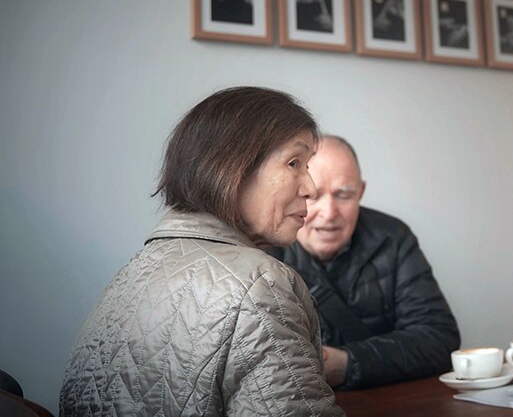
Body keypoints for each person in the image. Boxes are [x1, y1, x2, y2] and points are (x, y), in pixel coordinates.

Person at [60, 87, 344, 416]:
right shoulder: (260, 284)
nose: (309, 187)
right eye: (294, 162)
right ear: (230, 165)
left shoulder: (133, 271)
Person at [268, 135, 460, 389]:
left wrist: (346, 364)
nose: (329, 213)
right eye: (313, 196)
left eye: (344, 195)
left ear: (361, 192)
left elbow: (439, 338)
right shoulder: (262, 252)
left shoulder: (392, 238)